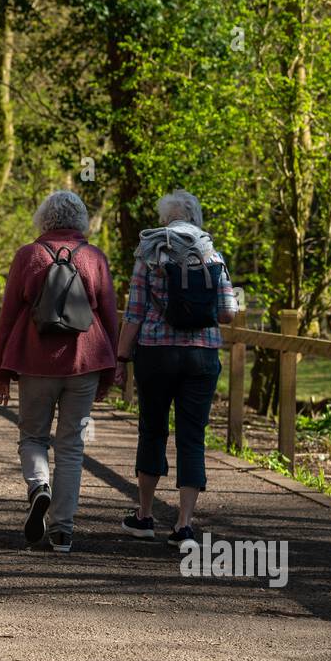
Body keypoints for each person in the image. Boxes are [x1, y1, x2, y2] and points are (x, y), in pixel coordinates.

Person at [0, 191, 118, 553]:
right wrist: (111, 373)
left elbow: (9, 316)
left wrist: (0, 371)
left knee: (32, 437)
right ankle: (62, 530)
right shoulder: (94, 258)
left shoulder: (28, 255)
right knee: (72, 447)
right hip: (85, 362)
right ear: (80, 221)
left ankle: (39, 487)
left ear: (44, 220)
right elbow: (109, 318)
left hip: (35, 363)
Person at [114, 190, 236, 547]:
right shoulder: (213, 254)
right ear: (195, 217)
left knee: (152, 431)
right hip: (202, 356)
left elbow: (134, 313)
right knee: (192, 437)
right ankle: (184, 526)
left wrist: (121, 359)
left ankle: (145, 516)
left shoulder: (149, 252)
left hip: (156, 353)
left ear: (166, 219)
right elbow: (228, 312)